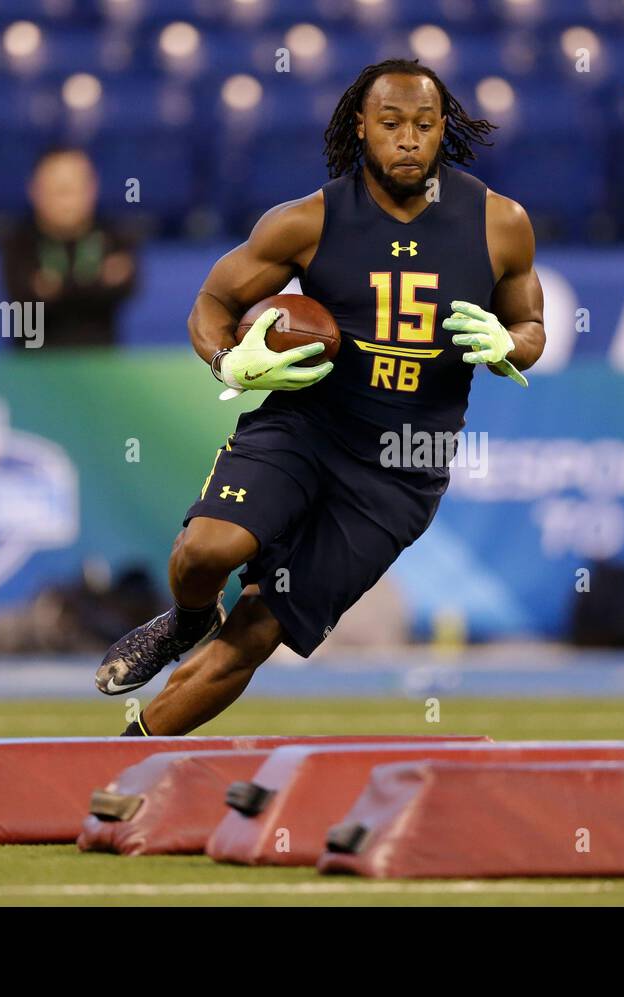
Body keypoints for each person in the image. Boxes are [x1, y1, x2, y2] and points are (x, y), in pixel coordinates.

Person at [96, 59, 546, 736]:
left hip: (400, 469)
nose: (408, 140)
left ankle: (115, 762)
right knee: (206, 551)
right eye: (390, 123)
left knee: (256, 630)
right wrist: (229, 359)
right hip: (306, 426)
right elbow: (215, 299)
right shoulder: (307, 220)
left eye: (424, 125)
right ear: (359, 128)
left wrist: (510, 343)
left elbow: (531, 325)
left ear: (442, 129)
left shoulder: (500, 222)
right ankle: (188, 618)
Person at [0, 147, 137, 348]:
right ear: (34, 191)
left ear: (92, 189)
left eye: (74, 189)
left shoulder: (115, 238)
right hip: (33, 365)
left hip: (101, 364)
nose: (66, 201)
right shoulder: (17, 243)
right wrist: (96, 282)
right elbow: (24, 297)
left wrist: (55, 287)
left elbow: (127, 286)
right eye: (58, 191)